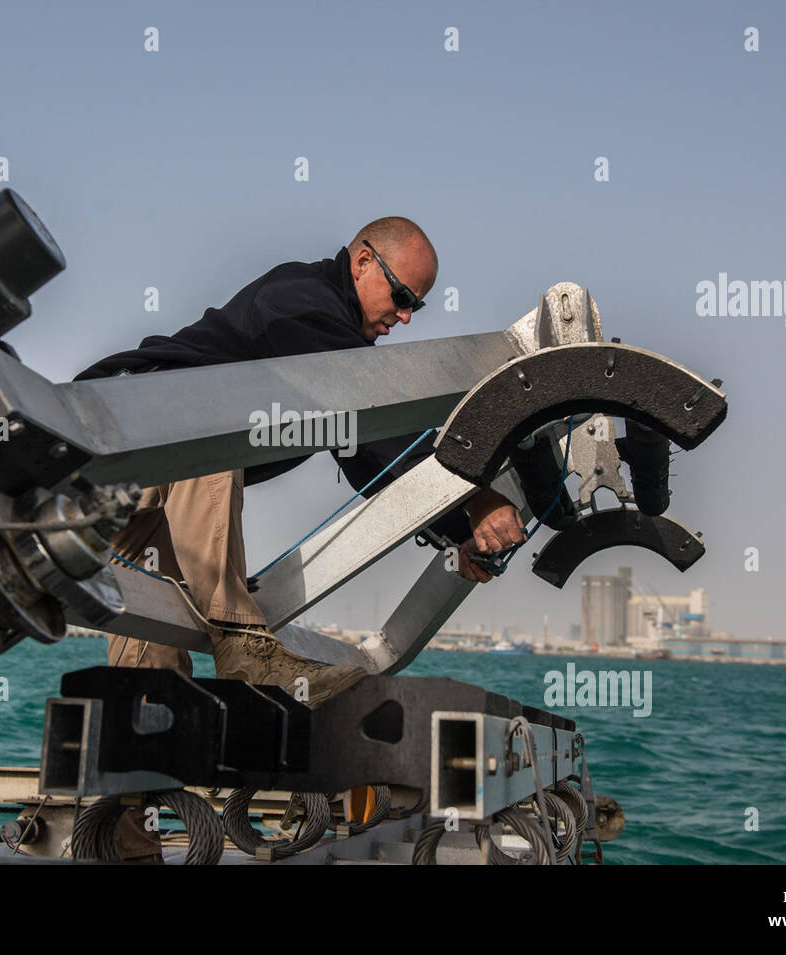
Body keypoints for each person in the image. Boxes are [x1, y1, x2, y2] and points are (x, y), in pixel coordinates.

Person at [74, 217, 527, 859]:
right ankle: (242, 642)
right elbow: (366, 421)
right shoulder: (300, 303)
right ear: (363, 260)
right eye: (400, 297)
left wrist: (458, 530)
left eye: (415, 307)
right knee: (218, 418)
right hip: (125, 439)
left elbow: (372, 458)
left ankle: (127, 833)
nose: (404, 318)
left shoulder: (335, 347)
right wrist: (475, 497)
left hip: (155, 486)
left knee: (154, 643)